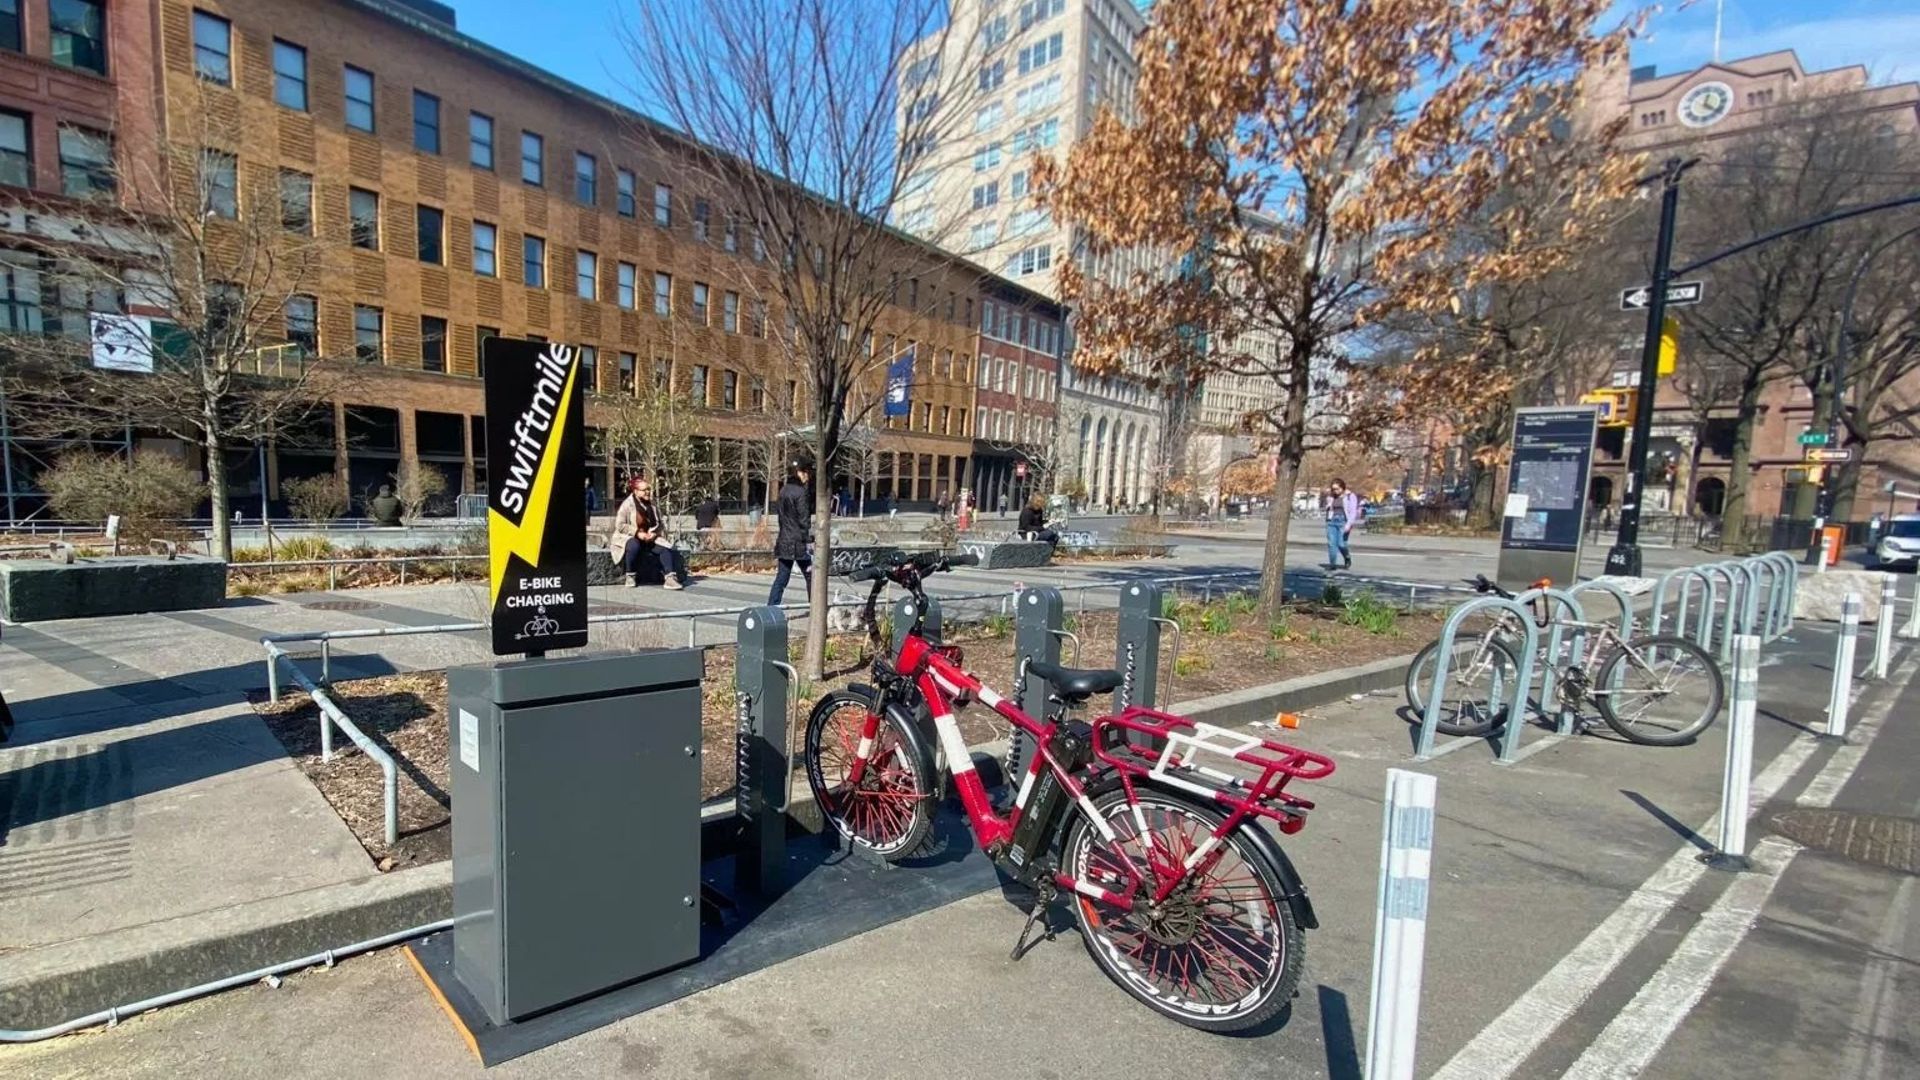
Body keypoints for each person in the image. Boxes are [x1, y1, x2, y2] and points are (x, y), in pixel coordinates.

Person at [608, 476, 690, 589]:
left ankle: (670, 578)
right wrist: (637, 533)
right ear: (636, 491)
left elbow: (660, 524)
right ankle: (630, 575)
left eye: (648, 489)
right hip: (630, 537)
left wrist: (654, 533)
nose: (647, 492)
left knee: (664, 548)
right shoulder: (627, 505)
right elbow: (620, 525)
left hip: (649, 538)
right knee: (633, 546)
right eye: (644, 490)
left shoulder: (652, 504)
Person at [769, 458, 813, 605]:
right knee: (810, 575)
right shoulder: (801, 492)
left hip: (784, 540)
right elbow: (804, 519)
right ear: (800, 473)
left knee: (782, 577)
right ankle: (815, 607)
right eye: (806, 472)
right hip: (798, 542)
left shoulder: (783, 490)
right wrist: (808, 538)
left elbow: (781, 517)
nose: (808, 476)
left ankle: (771, 608)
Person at [1324, 478, 1359, 572]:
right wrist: (1329, 502)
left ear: (1342, 487)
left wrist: (1349, 524)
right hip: (1332, 521)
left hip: (1343, 521)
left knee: (1341, 544)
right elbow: (1328, 507)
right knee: (1332, 544)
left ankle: (1347, 556)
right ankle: (1332, 565)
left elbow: (1353, 512)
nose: (1335, 491)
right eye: (1333, 489)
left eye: (1337, 489)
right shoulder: (1331, 496)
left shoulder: (1350, 496)